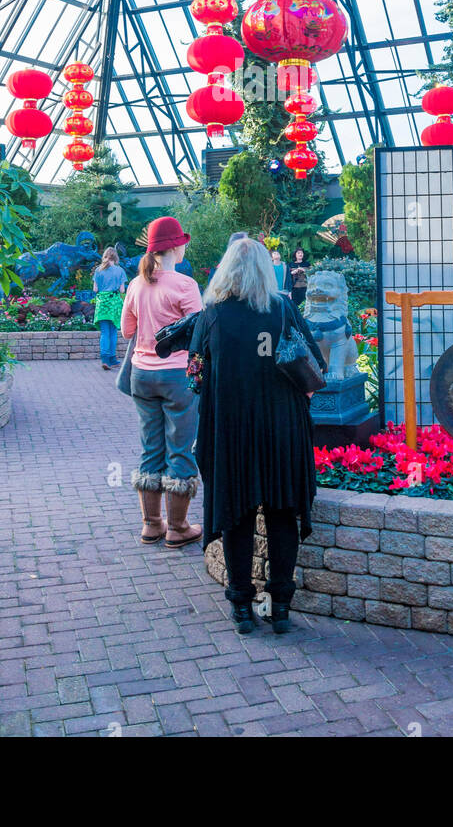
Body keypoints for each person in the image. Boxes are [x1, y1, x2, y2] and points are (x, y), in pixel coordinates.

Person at [189, 237, 327, 635]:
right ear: (267, 269)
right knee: (283, 512)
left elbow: (195, 375)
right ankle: (280, 605)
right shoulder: (282, 308)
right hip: (281, 429)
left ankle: (241, 608)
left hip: (232, 430)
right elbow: (314, 367)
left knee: (238, 513)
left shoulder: (213, 312)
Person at [121, 216, 202, 548]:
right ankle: (178, 527)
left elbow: (127, 331)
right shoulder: (185, 285)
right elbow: (200, 336)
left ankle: (151, 524)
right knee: (180, 449)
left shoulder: (137, 284)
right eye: (182, 242)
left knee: (151, 447)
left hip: (141, 375)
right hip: (176, 376)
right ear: (174, 246)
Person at [93, 247, 127, 371]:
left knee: (104, 332)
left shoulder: (98, 270)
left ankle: (105, 359)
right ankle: (112, 359)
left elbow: (95, 290)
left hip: (102, 303)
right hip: (114, 304)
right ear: (115, 257)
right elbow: (122, 290)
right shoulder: (120, 271)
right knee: (113, 332)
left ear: (105, 256)